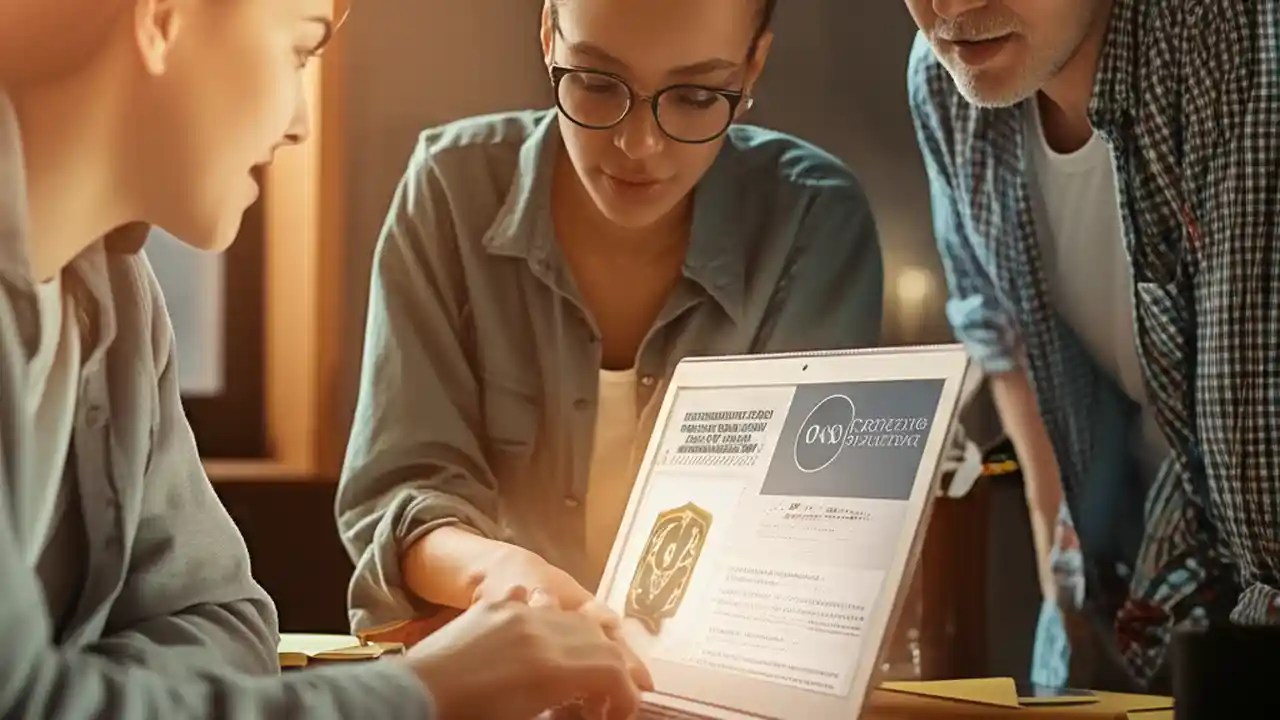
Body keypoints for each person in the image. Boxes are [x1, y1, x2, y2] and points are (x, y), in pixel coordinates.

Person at [0, 0, 648, 718]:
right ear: (161, 17)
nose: (301, 122)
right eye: (299, 52)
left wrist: (105, 697)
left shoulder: (117, 294)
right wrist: (423, 692)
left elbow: (227, 620)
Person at [337, 0, 883, 646]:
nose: (639, 144)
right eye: (597, 85)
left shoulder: (811, 224)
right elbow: (404, 491)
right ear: (548, 35)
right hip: (494, 674)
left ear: (753, 65)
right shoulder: (450, 193)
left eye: (694, 96)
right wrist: (503, 579)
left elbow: (798, 531)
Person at [904, 0, 1280, 694]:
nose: (950, 7)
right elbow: (996, 325)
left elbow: (1268, 549)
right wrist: (1057, 550)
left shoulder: (1231, 40)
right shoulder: (944, 83)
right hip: (1113, 595)